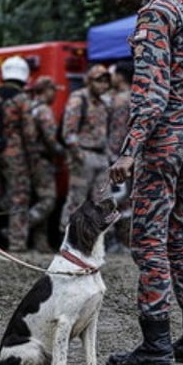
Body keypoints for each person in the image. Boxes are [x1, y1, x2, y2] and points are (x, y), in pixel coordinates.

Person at [85, 0, 183, 365]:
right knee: (178, 236)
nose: (116, 0)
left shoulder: (154, 14)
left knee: (147, 240)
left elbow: (152, 93)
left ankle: (156, 344)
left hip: (166, 141)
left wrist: (130, 151)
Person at [0, 56, 35, 252]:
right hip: (15, 155)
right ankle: (16, 243)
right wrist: (32, 157)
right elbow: (29, 133)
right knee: (18, 197)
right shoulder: (22, 100)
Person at [58, 64, 112, 240]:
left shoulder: (104, 103)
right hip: (84, 155)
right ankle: (68, 237)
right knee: (77, 200)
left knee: (103, 200)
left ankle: (96, 241)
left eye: (105, 81)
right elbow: (68, 131)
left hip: (101, 155)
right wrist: (77, 154)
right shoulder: (78, 99)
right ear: (89, 81)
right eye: (98, 81)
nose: (103, 85)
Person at [25, 75, 65, 251]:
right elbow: (50, 139)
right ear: (46, 91)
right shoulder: (44, 110)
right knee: (49, 199)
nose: (55, 94)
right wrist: (63, 152)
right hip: (42, 160)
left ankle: (40, 243)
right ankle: (21, 225)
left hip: (30, 159)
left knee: (38, 198)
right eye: (53, 90)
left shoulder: (30, 107)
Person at [108, 61, 134, 250]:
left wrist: (113, 156)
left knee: (118, 199)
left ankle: (118, 242)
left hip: (120, 156)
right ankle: (130, 242)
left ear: (120, 76)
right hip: (136, 155)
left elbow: (117, 133)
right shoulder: (139, 97)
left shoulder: (120, 100)